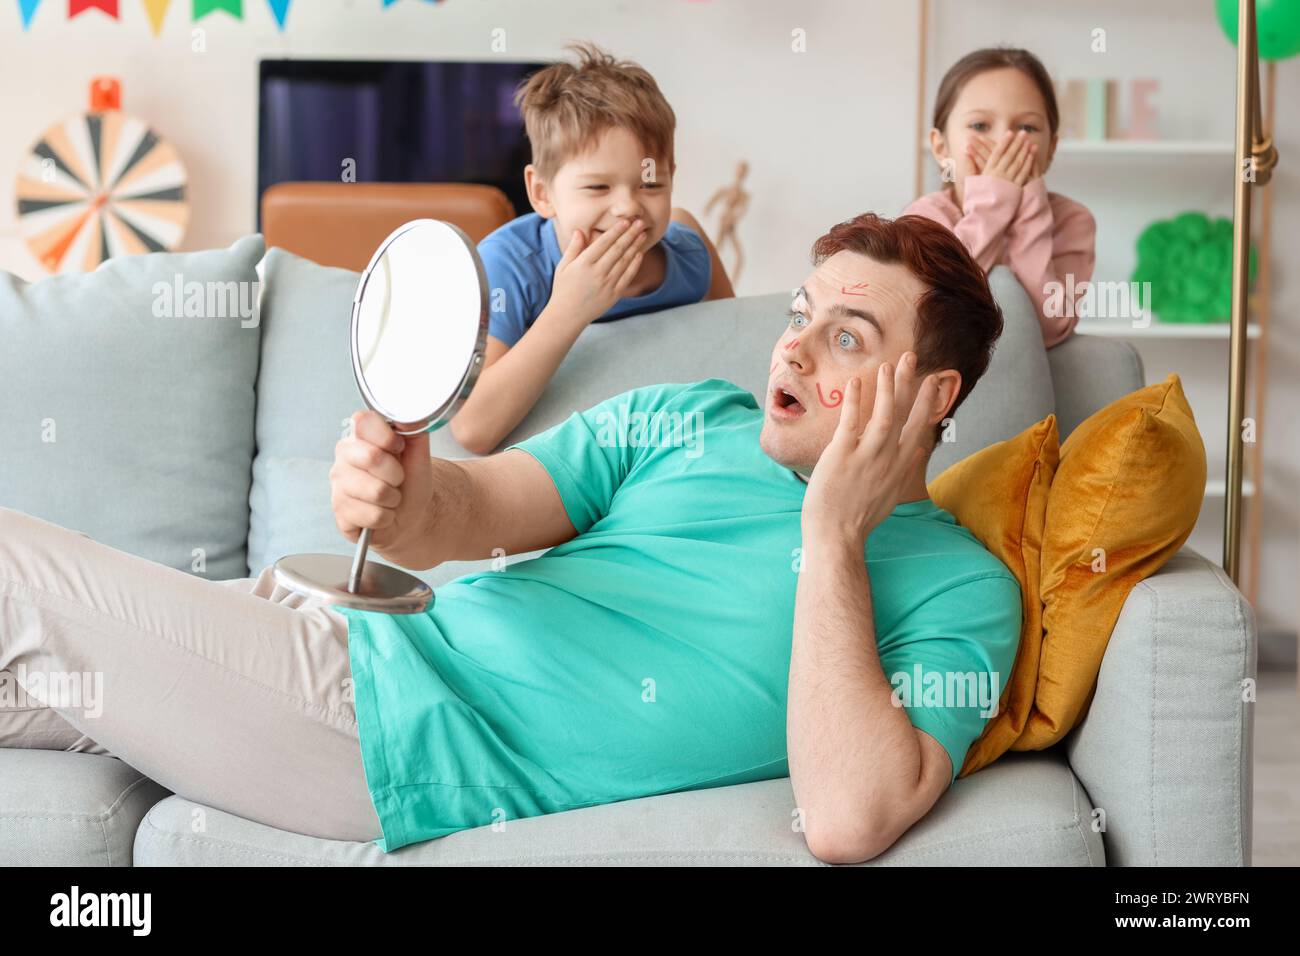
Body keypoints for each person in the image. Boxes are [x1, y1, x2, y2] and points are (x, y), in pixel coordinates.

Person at [0, 213, 1018, 865]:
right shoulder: (689, 416)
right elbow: (468, 510)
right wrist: (397, 494)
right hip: (305, 635)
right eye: (799, 314)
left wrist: (832, 533)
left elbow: (846, 818)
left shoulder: (961, 586)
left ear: (932, 396)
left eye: (846, 334)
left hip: (389, 727)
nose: (791, 343)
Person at [449, 42, 734, 455]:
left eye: (651, 184)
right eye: (598, 187)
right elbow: (473, 429)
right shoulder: (507, 266)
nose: (627, 207)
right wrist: (570, 309)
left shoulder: (688, 253)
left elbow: (736, 345)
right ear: (542, 193)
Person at [905, 47, 1096, 348]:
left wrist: (1030, 209)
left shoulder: (1072, 221)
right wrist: (992, 203)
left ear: (1050, 150)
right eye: (980, 126)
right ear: (941, 148)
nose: (1003, 143)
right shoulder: (924, 218)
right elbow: (928, 317)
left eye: (1026, 127)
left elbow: (1049, 328)